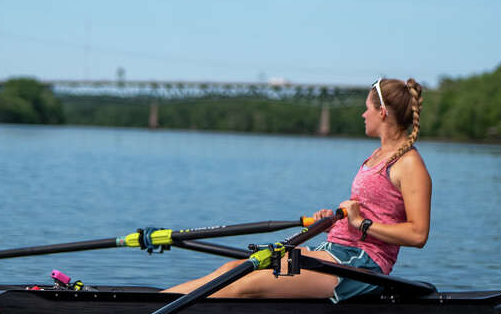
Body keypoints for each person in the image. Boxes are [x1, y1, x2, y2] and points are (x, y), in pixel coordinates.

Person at [164, 77, 431, 301]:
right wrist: (334, 222)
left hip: (363, 265)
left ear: (382, 113)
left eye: (367, 109)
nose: (363, 114)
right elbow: (369, 213)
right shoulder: (377, 155)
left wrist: (360, 223)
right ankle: (154, 302)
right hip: (335, 250)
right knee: (235, 268)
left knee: (248, 284)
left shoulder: (409, 164)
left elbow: (418, 234)